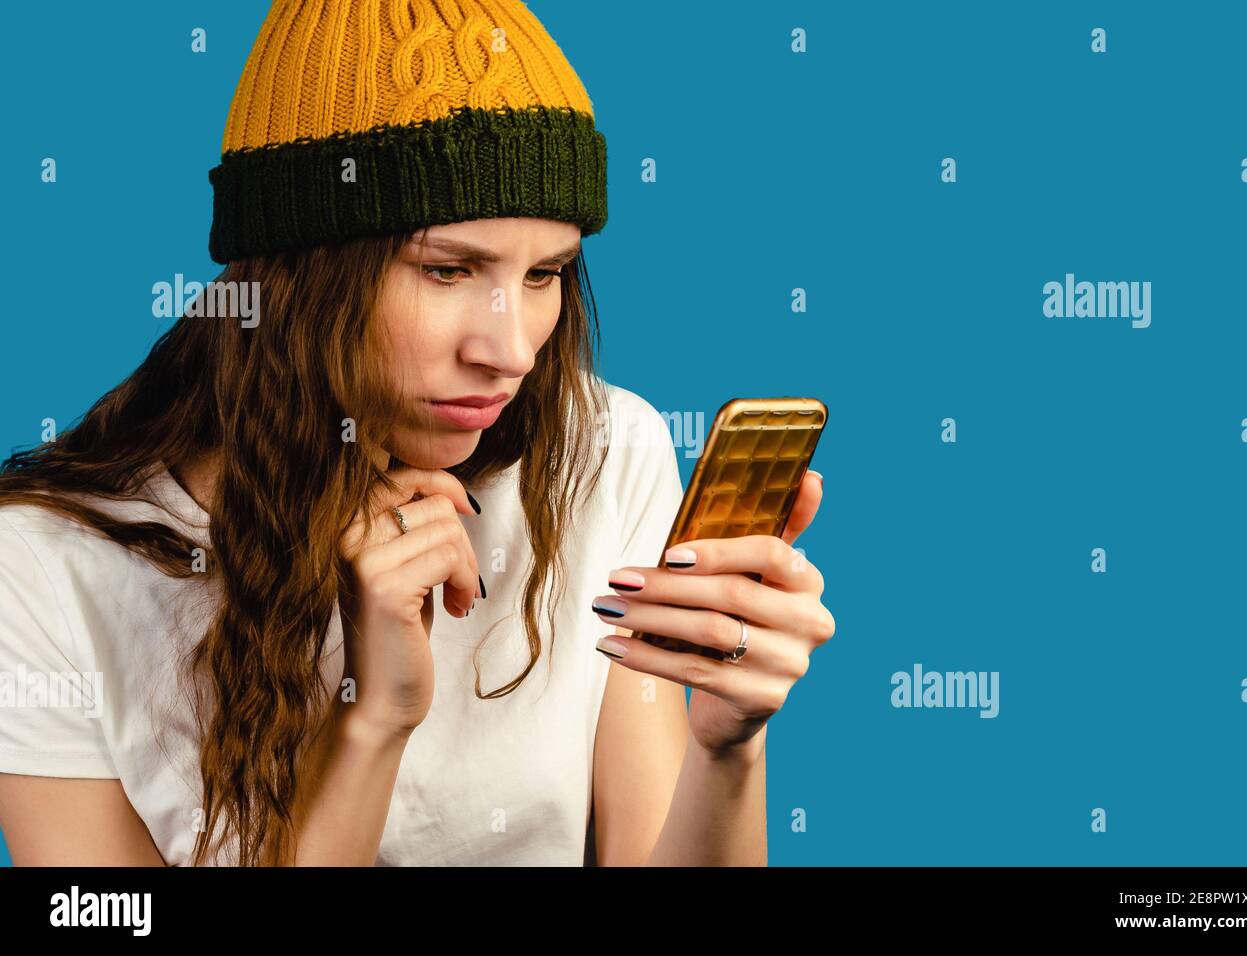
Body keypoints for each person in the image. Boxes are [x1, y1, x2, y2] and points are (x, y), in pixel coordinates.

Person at [0, 0, 833, 866]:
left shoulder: (604, 454)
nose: (510, 351)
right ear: (291, 274)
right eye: (447, 270)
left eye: (546, 273)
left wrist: (727, 746)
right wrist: (372, 720)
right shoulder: (39, 569)